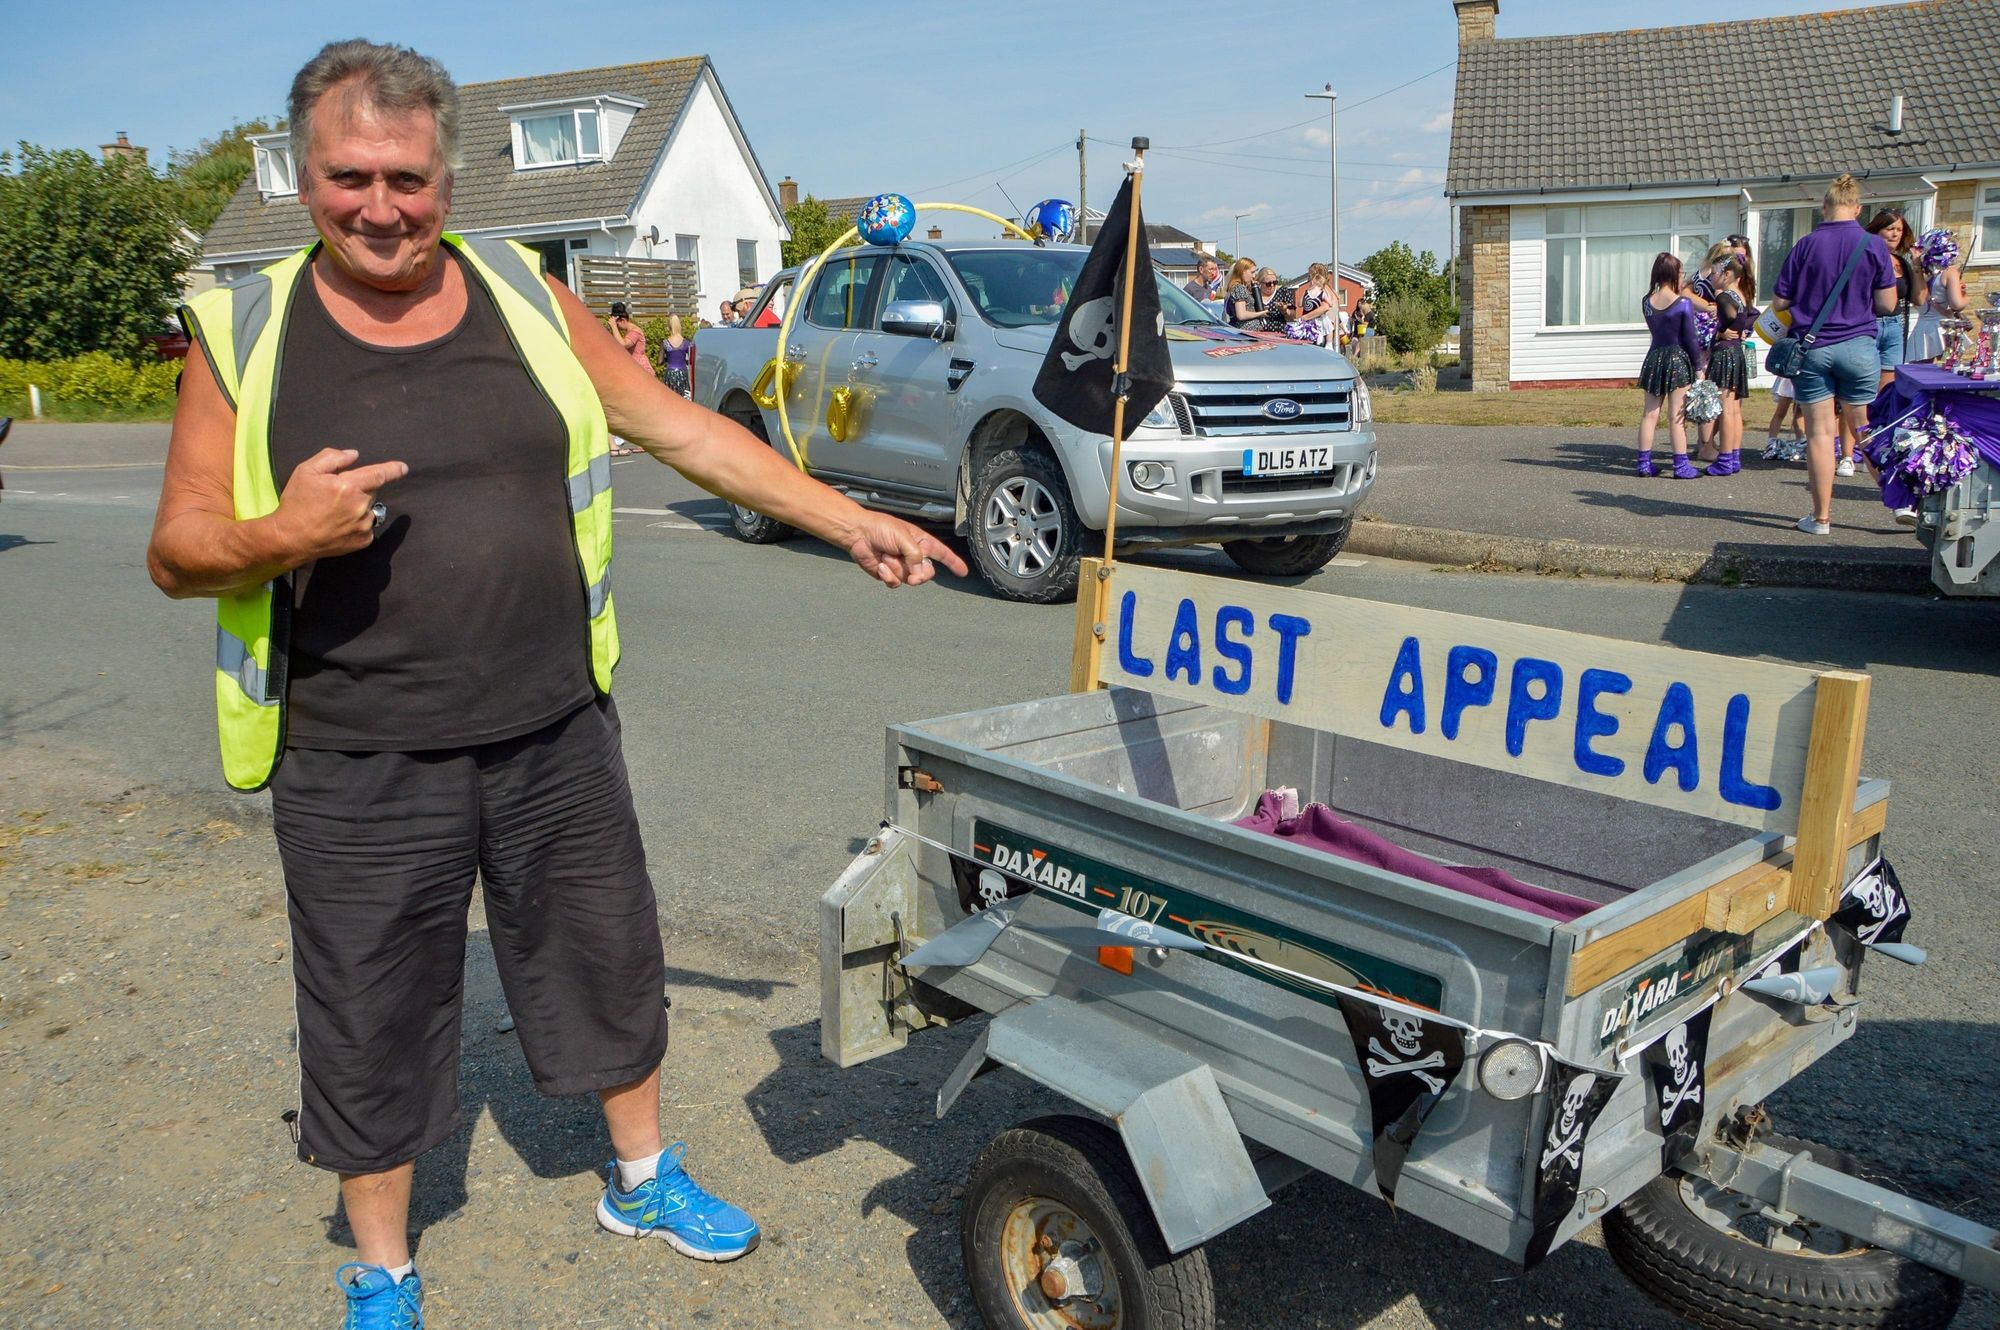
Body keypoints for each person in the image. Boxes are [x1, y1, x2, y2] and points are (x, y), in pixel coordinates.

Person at [145, 40, 968, 1330]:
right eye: (348, 176)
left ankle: (639, 1179)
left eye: (406, 178)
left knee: (604, 957)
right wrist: (277, 537)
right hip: (357, 757)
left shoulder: (523, 292)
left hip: (552, 728)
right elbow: (178, 547)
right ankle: (383, 1265)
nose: (379, 205)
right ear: (302, 179)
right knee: (368, 1007)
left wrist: (838, 515)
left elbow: (676, 423)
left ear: (449, 180)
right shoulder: (244, 331)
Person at [1769, 173, 1898, 534]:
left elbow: (1781, 300)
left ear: (1824, 208)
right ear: (1857, 208)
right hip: (1859, 346)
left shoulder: (1805, 245)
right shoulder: (1873, 246)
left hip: (1813, 347)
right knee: (1866, 427)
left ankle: (1821, 517)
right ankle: (1900, 501)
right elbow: (1887, 303)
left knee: (1821, 434)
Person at [1635, 251, 1701, 479]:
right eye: (1681, 272)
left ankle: (1644, 463)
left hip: (1654, 357)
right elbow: (1691, 338)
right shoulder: (1683, 303)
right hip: (1677, 359)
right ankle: (1681, 466)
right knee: (1676, 416)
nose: (1683, 276)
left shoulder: (1646, 302)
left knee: (1649, 414)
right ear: (1674, 274)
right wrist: (1698, 365)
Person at [1701, 257, 1757, 476]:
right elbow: (1746, 316)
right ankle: (1733, 456)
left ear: (1727, 274)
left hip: (1725, 352)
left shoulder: (1724, 295)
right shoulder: (1741, 295)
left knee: (1725, 410)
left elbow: (1730, 314)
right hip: (1736, 353)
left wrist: (1719, 331)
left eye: (1714, 273)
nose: (1711, 277)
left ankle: (1724, 459)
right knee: (1733, 410)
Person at [1865, 210, 1920, 391]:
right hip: (1869, 324)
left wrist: (1918, 265)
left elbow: (1918, 299)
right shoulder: (1866, 259)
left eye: (1899, 229)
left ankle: (1882, 419)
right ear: (1877, 231)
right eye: (1890, 229)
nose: (1895, 234)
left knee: (1887, 386)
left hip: (1895, 326)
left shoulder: (1900, 262)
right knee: (1864, 383)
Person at [1904, 227, 1967, 364]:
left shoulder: (1920, 274)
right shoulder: (1950, 273)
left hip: (1921, 328)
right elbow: (1957, 304)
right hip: (1943, 328)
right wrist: (1966, 297)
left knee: (1918, 372)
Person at [607, 302, 649, 455]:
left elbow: (623, 344)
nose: (618, 328)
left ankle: (644, 442)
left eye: (618, 325)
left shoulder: (634, 331)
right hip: (634, 372)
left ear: (622, 320)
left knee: (640, 408)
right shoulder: (629, 330)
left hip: (640, 372)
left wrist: (612, 327)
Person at [1286, 263, 1336, 346]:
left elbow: (1325, 307)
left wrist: (1304, 318)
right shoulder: (1320, 289)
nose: (1308, 278)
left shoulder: (1322, 289)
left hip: (1321, 331)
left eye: (1309, 275)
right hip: (1320, 330)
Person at [658, 313, 693, 399]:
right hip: (683, 374)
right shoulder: (686, 343)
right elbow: (691, 361)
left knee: (670, 399)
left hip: (670, 374)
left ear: (669, 326)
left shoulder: (665, 343)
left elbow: (659, 362)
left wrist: (668, 359)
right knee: (685, 399)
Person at [1223, 258, 1262, 329]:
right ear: (1242, 271)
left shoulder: (1236, 287)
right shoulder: (1239, 287)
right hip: (1246, 330)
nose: (1254, 276)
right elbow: (1241, 315)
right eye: (1252, 272)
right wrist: (1261, 313)